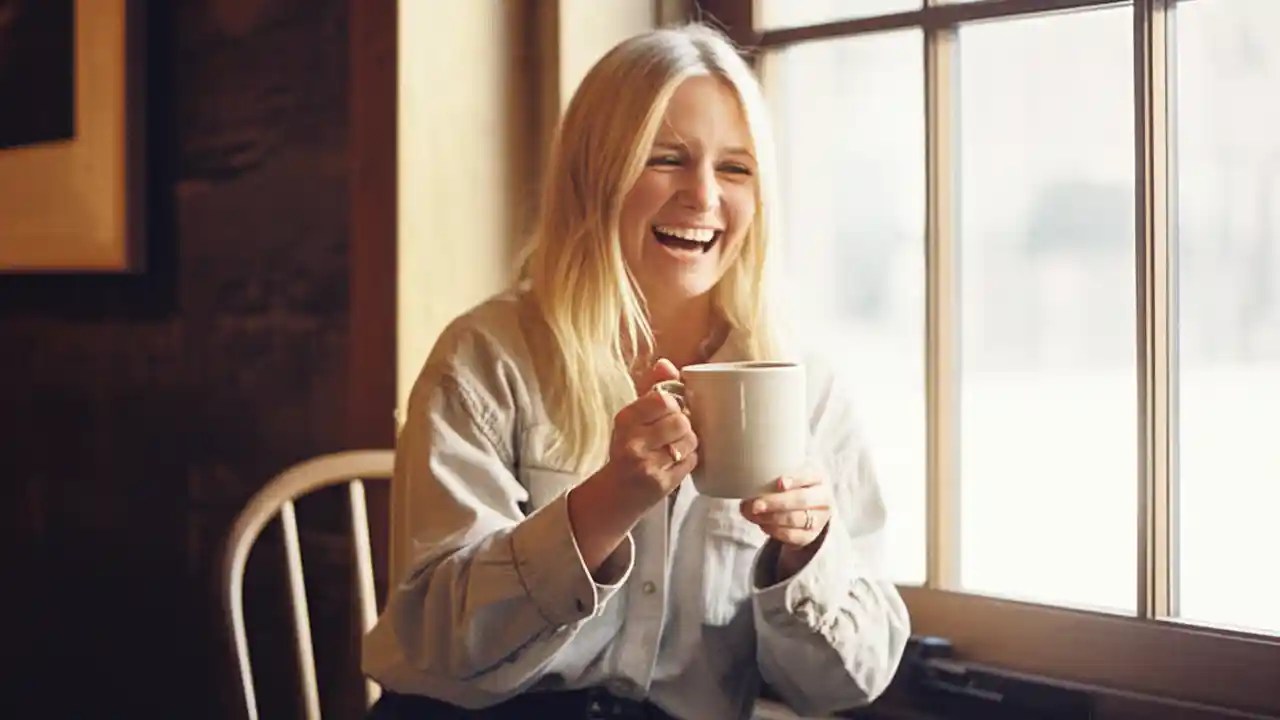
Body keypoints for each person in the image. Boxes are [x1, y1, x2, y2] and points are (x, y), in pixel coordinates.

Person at [363, 23, 910, 720]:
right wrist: (604, 505)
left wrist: (803, 559)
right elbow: (440, 639)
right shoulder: (487, 355)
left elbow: (846, 684)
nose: (704, 196)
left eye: (735, 169)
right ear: (595, 175)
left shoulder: (806, 385)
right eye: (666, 158)